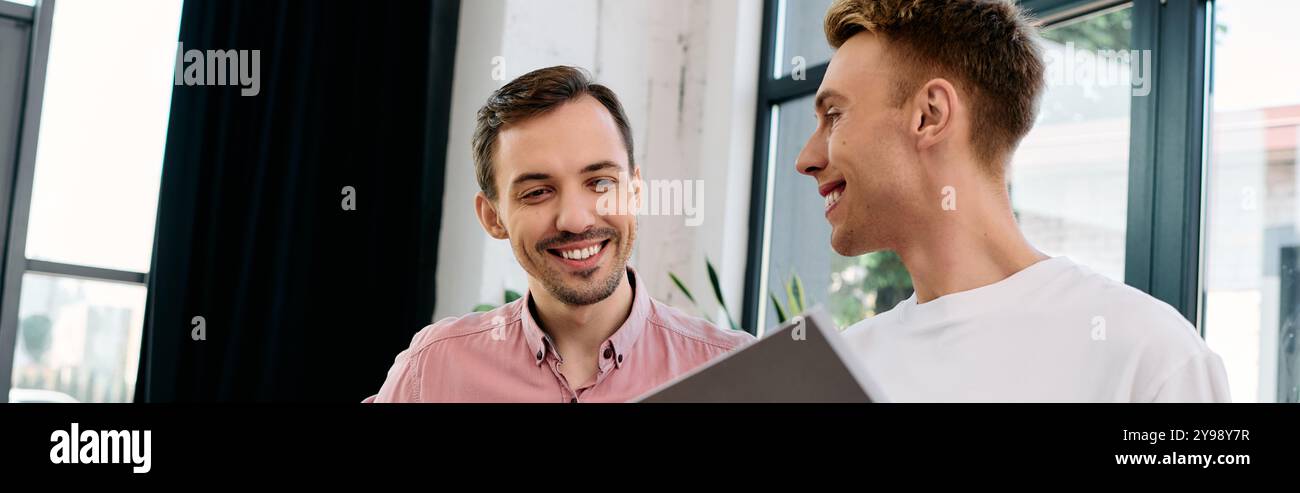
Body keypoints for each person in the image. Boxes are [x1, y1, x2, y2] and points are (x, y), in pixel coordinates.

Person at [795, 0, 1230, 401]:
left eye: (834, 115)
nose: (806, 160)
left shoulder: (1152, 355)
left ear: (929, 115)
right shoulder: (847, 363)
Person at [367, 66, 753, 403]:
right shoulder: (432, 370)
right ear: (492, 217)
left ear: (635, 192)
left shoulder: (738, 373)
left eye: (599, 182)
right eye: (537, 192)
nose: (575, 220)